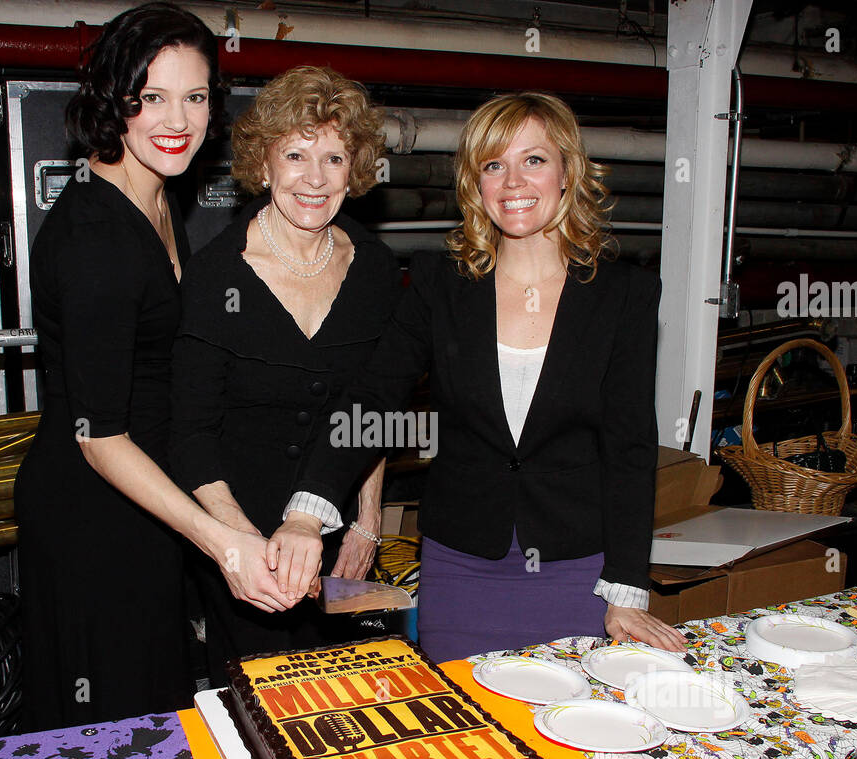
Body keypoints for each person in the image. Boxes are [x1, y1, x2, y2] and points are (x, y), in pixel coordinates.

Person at [269, 91, 686, 661]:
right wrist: (306, 514)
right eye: (494, 165)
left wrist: (628, 587)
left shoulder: (625, 295)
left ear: (567, 172)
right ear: (475, 183)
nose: (514, 181)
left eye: (534, 160)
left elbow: (630, 448)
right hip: (462, 565)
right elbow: (373, 399)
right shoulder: (441, 286)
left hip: (576, 569)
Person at [15, 2, 292, 732]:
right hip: (93, 515)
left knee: (156, 711)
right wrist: (221, 539)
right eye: (152, 97)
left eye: (195, 97)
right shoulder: (98, 238)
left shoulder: (155, 198)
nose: (178, 119)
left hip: (146, 505)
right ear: (115, 101)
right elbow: (98, 434)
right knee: (110, 733)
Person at [171, 66, 400, 685]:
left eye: (333, 157)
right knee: (259, 700)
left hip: (337, 518)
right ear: (263, 163)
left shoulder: (376, 269)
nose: (314, 178)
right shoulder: (218, 274)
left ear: (354, 171)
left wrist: (366, 522)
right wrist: (245, 546)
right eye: (295, 154)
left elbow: (373, 405)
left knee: (343, 702)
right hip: (235, 526)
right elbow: (190, 431)